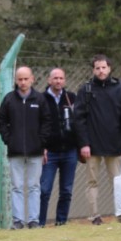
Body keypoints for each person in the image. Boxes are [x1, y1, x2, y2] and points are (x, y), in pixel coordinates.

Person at [74, 55, 121, 224]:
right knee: (92, 181)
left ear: (109, 69)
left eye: (104, 67)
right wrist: (83, 143)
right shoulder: (85, 90)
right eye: (97, 68)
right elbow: (79, 119)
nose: (101, 71)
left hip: (114, 144)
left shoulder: (120, 89)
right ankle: (95, 216)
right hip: (91, 145)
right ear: (93, 70)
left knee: (118, 181)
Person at [0, 66, 52, 228]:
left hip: (36, 151)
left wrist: (42, 142)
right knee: (17, 186)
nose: (23, 82)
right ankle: (18, 220)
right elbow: (1, 120)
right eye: (20, 79)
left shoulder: (40, 99)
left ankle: (34, 220)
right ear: (16, 80)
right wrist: (8, 139)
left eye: (26, 79)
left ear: (32, 79)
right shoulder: (9, 99)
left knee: (34, 186)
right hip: (15, 151)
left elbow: (47, 122)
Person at [40, 68, 80, 226]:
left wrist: (80, 145)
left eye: (61, 78)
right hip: (49, 153)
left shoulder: (71, 98)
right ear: (49, 80)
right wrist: (41, 147)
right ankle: (40, 222)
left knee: (66, 190)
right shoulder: (41, 99)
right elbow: (38, 126)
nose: (58, 81)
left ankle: (61, 221)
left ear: (64, 80)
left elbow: (78, 123)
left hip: (70, 151)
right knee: (44, 190)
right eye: (55, 78)